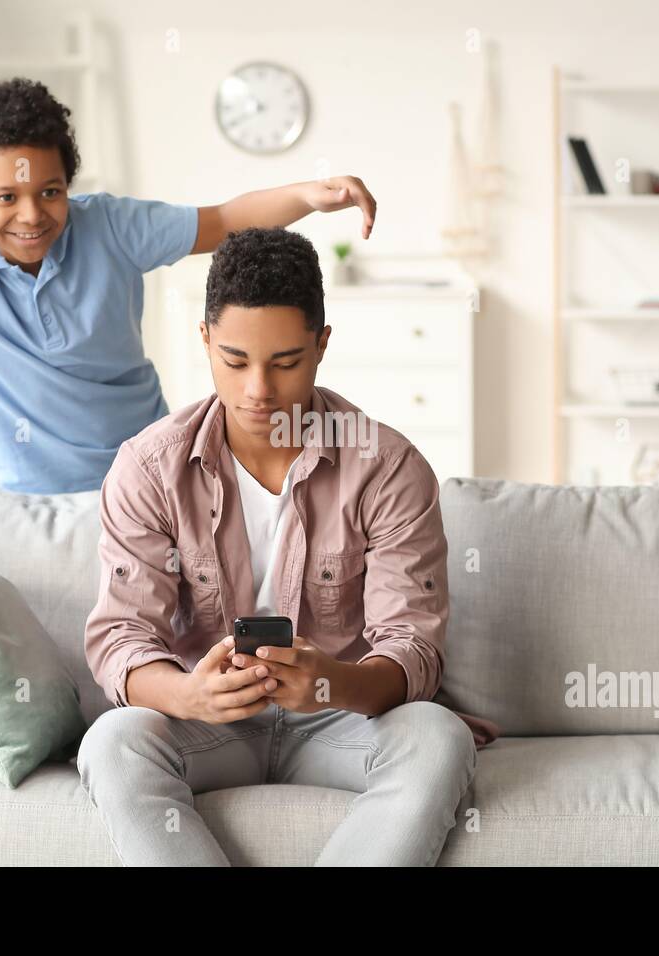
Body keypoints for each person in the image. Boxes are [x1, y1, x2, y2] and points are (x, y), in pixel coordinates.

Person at [77, 227, 497, 866]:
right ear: (205, 340)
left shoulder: (387, 466)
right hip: (208, 723)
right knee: (114, 742)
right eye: (235, 360)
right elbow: (121, 639)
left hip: (343, 719)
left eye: (285, 362)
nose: (258, 391)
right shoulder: (149, 468)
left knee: (438, 736)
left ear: (322, 345)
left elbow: (414, 649)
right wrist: (189, 695)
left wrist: (333, 684)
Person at [0, 77, 376, 493]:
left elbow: (221, 220)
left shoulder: (110, 225)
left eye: (50, 191)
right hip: (32, 497)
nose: (32, 214)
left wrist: (306, 195)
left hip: (152, 478)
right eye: (5, 197)